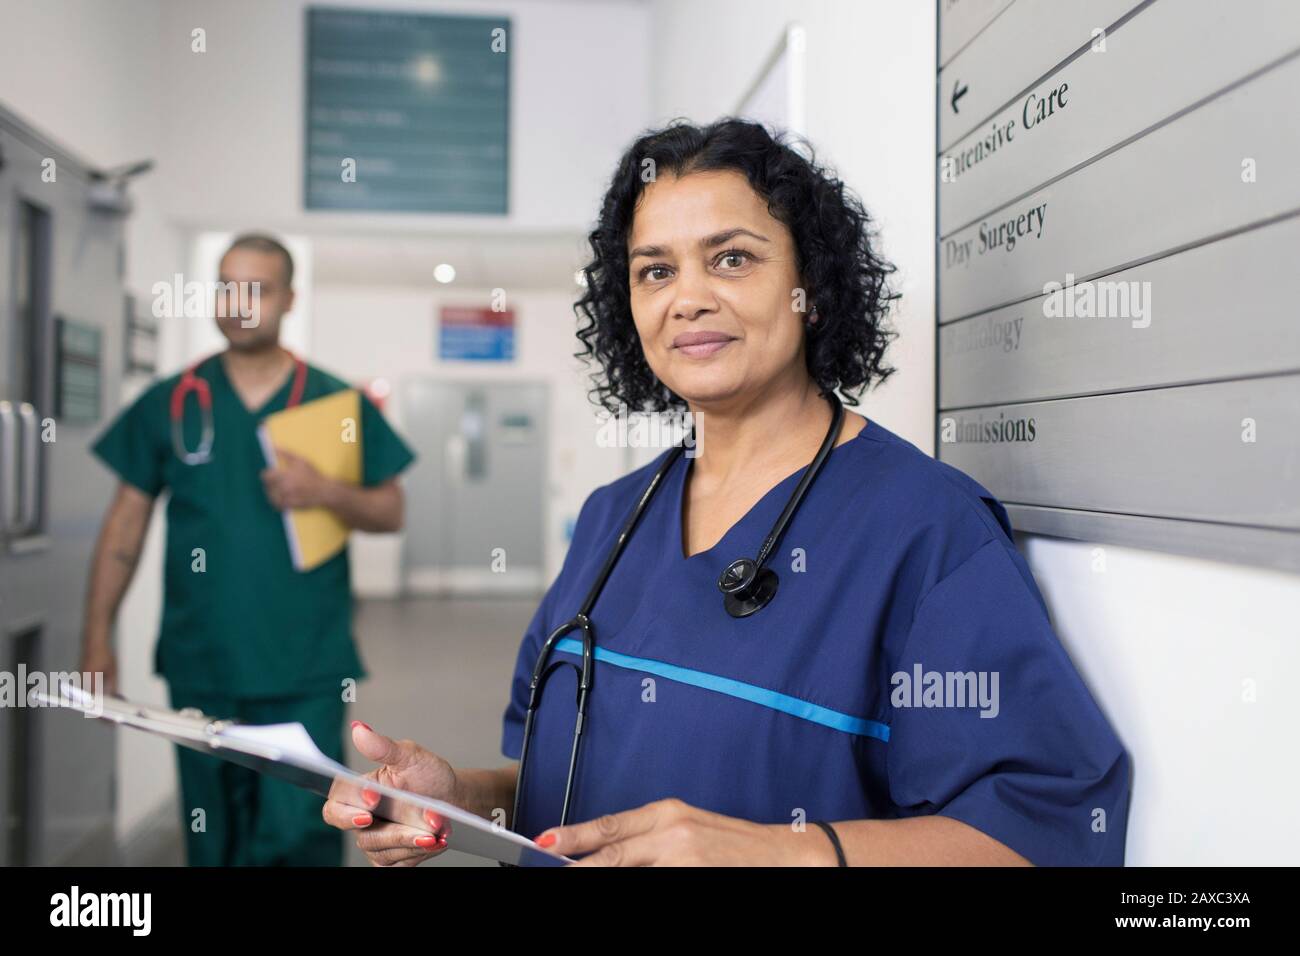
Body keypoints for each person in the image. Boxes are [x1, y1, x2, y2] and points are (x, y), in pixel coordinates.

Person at [323, 119, 1131, 866]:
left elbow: (1043, 826)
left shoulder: (925, 529)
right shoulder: (614, 517)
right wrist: (462, 800)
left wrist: (780, 852)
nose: (688, 297)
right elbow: (552, 787)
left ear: (810, 285)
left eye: (732, 257)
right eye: (655, 270)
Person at [81, 233, 416, 866]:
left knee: (301, 833)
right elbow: (124, 527)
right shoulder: (173, 401)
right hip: (201, 661)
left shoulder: (334, 402)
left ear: (288, 298)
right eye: (229, 286)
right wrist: (96, 639)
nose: (240, 303)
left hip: (305, 664)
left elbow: (390, 510)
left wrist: (325, 491)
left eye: (258, 289)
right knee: (213, 839)